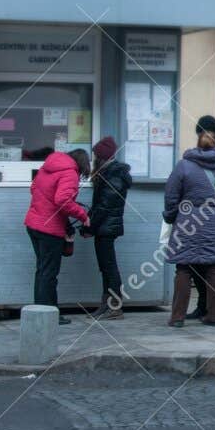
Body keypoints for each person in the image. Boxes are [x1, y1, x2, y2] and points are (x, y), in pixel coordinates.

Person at [163, 115, 215, 328]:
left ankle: (177, 317)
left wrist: (170, 216)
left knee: (183, 268)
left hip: (188, 222)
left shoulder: (184, 165)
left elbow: (171, 196)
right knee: (214, 266)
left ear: (197, 135)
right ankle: (214, 315)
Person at [23, 147, 90, 325]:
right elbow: (63, 200)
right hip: (49, 230)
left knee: (42, 270)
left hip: (33, 224)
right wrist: (83, 216)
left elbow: (33, 188)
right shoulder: (70, 173)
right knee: (49, 272)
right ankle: (48, 313)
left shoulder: (47, 167)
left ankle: (40, 310)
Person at [83, 136, 132, 320]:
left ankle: (114, 306)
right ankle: (107, 305)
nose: (94, 160)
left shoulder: (113, 175)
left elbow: (103, 207)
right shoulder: (111, 173)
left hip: (106, 228)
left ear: (102, 157)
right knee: (105, 267)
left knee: (109, 267)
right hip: (104, 226)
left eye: (96, 156)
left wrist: (89, 227)